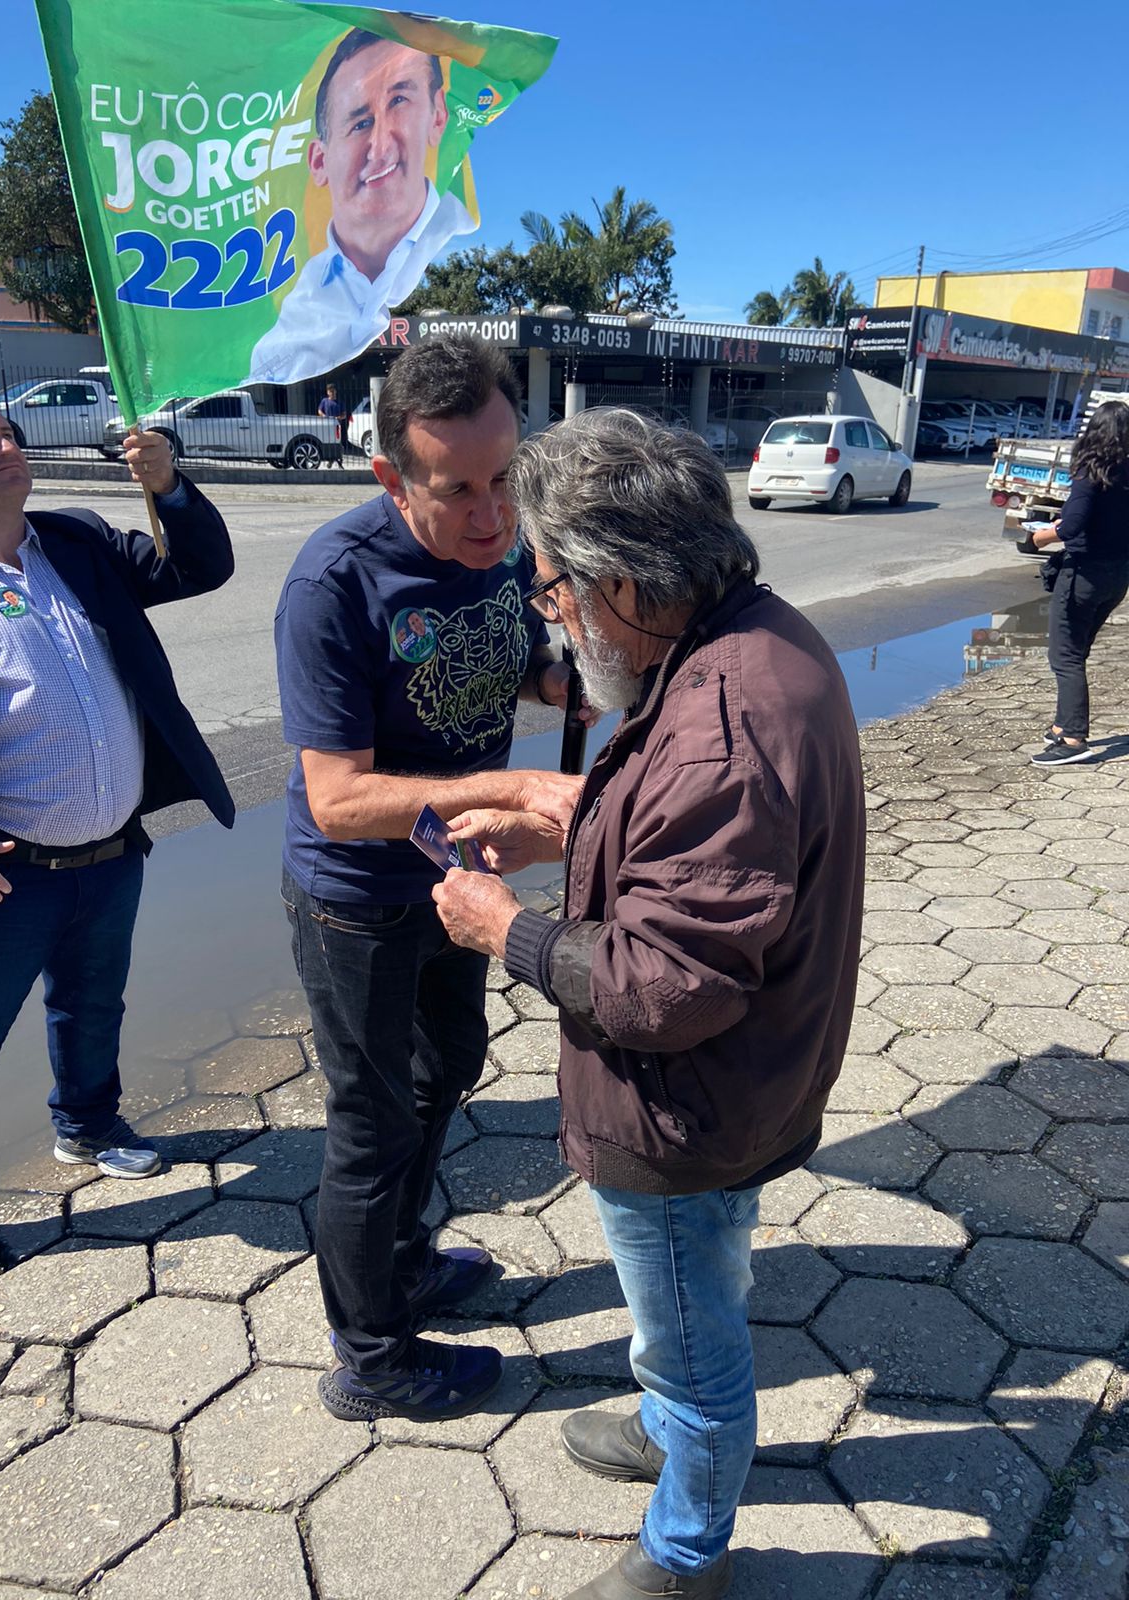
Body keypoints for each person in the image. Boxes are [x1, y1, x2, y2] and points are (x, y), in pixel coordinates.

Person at [433, 409, 866, 1600]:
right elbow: (703, 852)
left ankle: (686, 1549)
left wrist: (502, 927)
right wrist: (572, 824)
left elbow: (664, 986)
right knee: (684, 1294)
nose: (546, 602)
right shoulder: (746, 636)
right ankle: (672, 1422)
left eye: (555, 581)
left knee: (696, 1337)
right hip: (741, 1080)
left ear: (626, 578)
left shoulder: (723, 718)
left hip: (687, 1109)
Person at [275, 334, 585, 1424]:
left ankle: (401, 1259)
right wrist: (505, 786)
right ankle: (372, 1356)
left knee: (447, 1062)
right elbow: (336, 799)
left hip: (453, 880)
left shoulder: (500, 549)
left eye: (505, 478)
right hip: (356, 899)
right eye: (457, 490)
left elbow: (504, 663)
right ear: (389, 479)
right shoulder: (335, 582)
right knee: (372, 1124)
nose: (494, 513)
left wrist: (559, 675)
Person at [0, 391, 235, 1311]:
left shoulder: (78, 540)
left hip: (108, 853)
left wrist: (170, 486)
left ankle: (89, 1126)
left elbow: (199, 568)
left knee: (94, 1001)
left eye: (9, 432)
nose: (7, 446)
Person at [248, 29, 476, 386]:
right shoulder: (291, 320)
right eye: (360, 123)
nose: (381, 146)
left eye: (399, 101)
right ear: (319, 161)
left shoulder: (461, 229)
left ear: (438, 116)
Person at [1031, 400, 1129, 766]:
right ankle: (1061, 725)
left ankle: (1073, 739)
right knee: (1077, 651)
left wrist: (1042, 536)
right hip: (1117, 577)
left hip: (1083, 577)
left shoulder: (1091, 474)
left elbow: (1071, 525)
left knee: (1065, 656)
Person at [317, 384, 345, 468]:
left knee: (338, 443)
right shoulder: (324, 401)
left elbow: (344, 414)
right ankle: (330, 460)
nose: (332, 393)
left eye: (333, 391)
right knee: (328, 443)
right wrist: (324, 416)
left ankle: (339, 461)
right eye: (330, 391)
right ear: (327, 392)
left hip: (337, 426)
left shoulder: (340, 402)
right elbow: (319, 410)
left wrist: (338, 418)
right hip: (327, 426)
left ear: (335, 391)